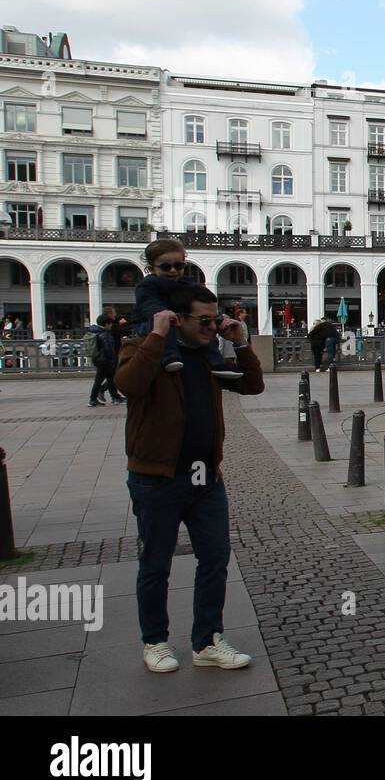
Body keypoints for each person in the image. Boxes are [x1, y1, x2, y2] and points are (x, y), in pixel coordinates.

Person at [115, 284, 265, 673]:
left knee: (215, 557)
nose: (211, 327)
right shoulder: (141, 348)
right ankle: (156, 641)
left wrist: (241, 342)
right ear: (176, 318)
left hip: (205, 478)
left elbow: (252, 385)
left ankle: (207, 640)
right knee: (156, 563)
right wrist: (156, 336)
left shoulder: (208, 356)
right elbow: (129, 385)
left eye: (215, 320)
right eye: (204, 320)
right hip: (156, 478)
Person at [132, 239, 240, 379]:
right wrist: (163, 313)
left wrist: (211, 317)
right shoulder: (147, 285)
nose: (173, 270)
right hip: (148, 321)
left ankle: (217, 363)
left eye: (178, 266)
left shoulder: (186, 283)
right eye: (166, 267)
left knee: (207, 331)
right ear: (152, 268)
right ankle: (170, 357)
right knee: (167, 324)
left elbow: (201, 297)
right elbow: (148, 304)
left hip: (177, 319)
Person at [87, 314, 126, 406]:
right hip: (105, 360)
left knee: (111, 379)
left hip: (98, 359)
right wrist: (113, 360)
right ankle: (92, 399)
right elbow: (109, 349)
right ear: (106, 324)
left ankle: (115, 397)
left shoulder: (95, 331)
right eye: (110, 324)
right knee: (99, 380)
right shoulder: (105, 334)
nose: (111, 326)